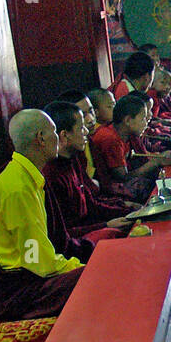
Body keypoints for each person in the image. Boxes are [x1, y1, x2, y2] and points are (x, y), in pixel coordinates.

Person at [0, 109, 84, 322]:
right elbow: (37, 260)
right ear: (41, 139)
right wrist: (82, 268)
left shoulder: (25, 174)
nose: (58, 138)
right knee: (91, 279)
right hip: (15, 289)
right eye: (53, 131)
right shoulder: (18, 187)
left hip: (29, 271)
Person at [41, 99, 140, 241]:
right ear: (64, 135)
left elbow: (91, 204)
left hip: (94, 225)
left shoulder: (73, 159)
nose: (87, 132)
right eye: (81, 128)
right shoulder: (51, 175)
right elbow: (61, 235)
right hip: (78, 241)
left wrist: (130, 211)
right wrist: (105, 225)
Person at [90, 91, 165, 203]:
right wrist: (155, 162)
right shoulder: (110, 138)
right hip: (109, 190)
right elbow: (123, 177)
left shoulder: (124, 132)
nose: (146, 122)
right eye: (143, 118)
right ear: (128, 121)